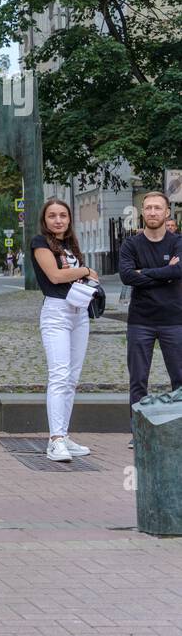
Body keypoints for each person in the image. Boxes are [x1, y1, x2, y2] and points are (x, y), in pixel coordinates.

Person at [31, 197, 98, 462]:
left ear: (69, 219)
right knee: (59, 375)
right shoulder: (40, 243)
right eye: (52, 216)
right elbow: (56, 276)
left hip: (78, 313)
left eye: (63, 215)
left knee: (72, 377)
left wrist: (83, 273)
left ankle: (64, 434)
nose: (58, 220)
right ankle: (54, 440)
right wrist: (87, 269)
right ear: (45, 220)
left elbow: (77, 277)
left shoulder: (70, 245)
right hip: (57, 313)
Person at [118, 191, 182, 447]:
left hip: (174, 320)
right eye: (148, 208)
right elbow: (126, 276)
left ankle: (178, 429)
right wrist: (165, 274)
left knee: (179, 378)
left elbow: (179, 270)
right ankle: (139, 433)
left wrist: (145, 272)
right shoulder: (130, 245)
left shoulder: (178, 242)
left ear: (167, 212)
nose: (153, 212)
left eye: (158, 208)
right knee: (138, 380)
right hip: (140, 321)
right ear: (141, 212)